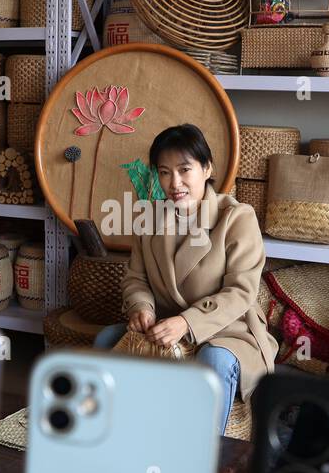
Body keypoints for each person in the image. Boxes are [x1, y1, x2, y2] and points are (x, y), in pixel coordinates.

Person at [92, 123, 279, 434]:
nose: (174, 182)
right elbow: (136, 278)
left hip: (228, 331)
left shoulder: (236, 217)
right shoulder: (149, 218)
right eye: (164, 172)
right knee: (105, 339)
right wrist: (142, 308)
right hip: (164, 326)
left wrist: (187, 323)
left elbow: (240, 292)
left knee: (214, 360)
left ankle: (206, 458)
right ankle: (114, 437)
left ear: (207, 169)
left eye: (184, 170)